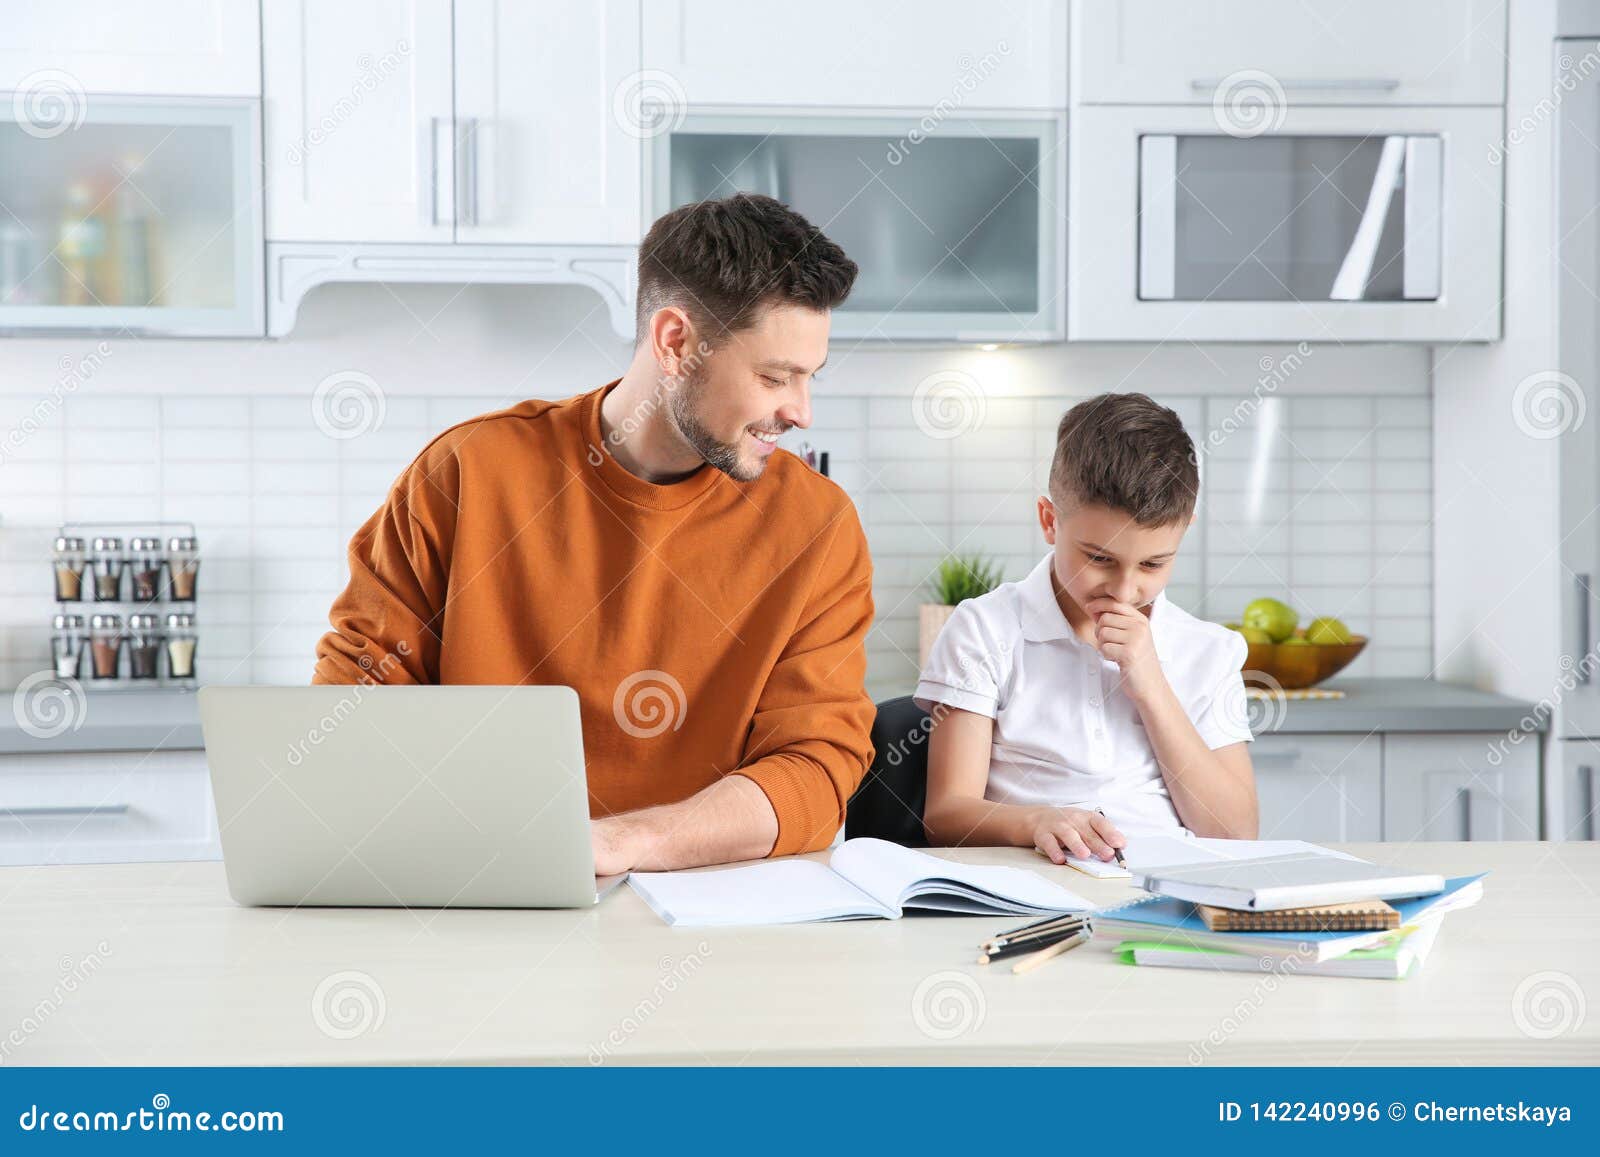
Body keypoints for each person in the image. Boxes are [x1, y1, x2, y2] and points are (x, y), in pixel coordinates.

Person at [314, 193, 875, 876]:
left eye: (808, 378)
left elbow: (816, 767)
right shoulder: (468, 474)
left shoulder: (816, 525)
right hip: (481, 890)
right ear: (675, 343)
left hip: (705, 921)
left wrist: (619, 843)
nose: (801, 410)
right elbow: (354, 704)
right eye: (773, 377)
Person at [917, 392, 1258, 864]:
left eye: (1154, 563)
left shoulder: (1210, 651)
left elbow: (1236, 834)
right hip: (1031, 886)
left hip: (1169, 891)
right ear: (1049, 520)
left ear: (1184, 533)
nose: (1124, 590)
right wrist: (1036, 821)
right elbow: (945, 818)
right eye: (1099, 559)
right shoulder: (984, 628)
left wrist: (1152, 686)